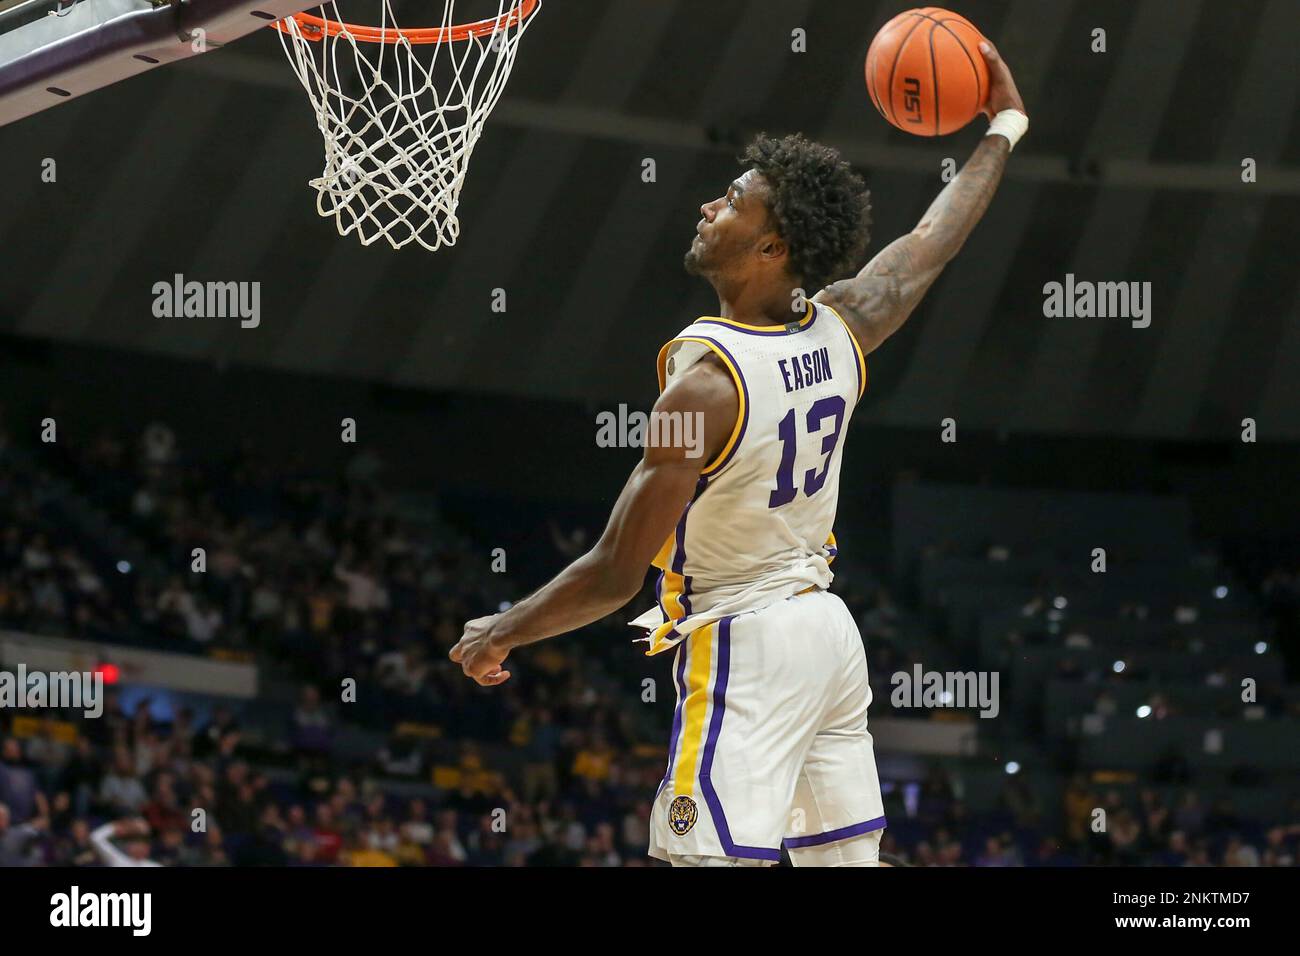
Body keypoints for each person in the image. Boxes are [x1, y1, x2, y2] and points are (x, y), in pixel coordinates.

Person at [451, 42, 1028, 867]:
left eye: (733, 202)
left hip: (747, 640)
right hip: (829, 637)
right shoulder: (845, 324)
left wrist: (499, 634)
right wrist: (1004, 125)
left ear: (773, 250)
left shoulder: (704, 390)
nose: (707, 208)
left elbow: (619, 573)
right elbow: (933, 240)